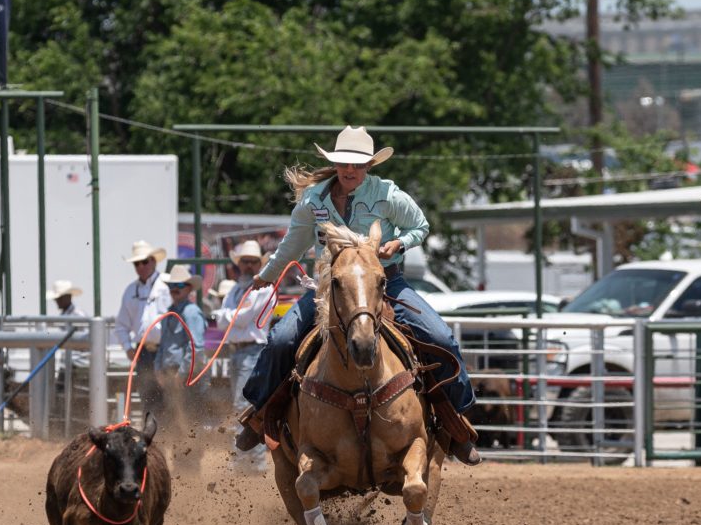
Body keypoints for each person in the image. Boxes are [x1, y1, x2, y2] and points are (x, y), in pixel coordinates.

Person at [236, 126, 480, 465]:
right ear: (335, 164)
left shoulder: (388, 194)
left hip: (385, 282)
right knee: (282, 339)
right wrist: (267, 275)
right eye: (344, 164)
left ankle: (458, 423)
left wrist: (400, 243)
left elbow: (420, 225)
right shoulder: (314, 200)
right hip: (332, 286)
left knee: (440, 337)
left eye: (358, 165)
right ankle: (260, 414)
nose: (350, 170)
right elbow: (294, 242)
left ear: (369, 166)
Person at [212, 241, 275, 472]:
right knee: (242, 406)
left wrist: (227, 315)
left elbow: (239, 317)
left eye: (253, 262)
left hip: (252, 351)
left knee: (246, 407)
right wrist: (230, 316)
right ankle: (245, 462)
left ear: (260, 264)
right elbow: (231, 318)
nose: (248, 266)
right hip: (239, 352)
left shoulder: (264, 288)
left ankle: (250, 463)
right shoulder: (237, 289)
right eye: (245, 261)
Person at [154, 266, 209, 462]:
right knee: (175, 420)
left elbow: (197, 347)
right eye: (171, 286)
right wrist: (158, 369)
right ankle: (181, 462)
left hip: (184, 376)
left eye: (178, 286)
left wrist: (183, 373)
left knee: (189, 420)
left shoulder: (191, 312)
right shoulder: (172, 312)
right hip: (172, 375)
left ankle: (190, 464)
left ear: (188, 289)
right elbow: (164, 344)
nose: (174, 289)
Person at [113, 240, 171, 413]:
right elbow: (121, 325)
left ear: (153, 261)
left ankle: (172, 436)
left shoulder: (168, 285)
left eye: (144, 261)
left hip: (166, 350)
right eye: (137, 263)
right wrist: (127, 347)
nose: (141, 266)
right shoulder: (131, 291)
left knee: (170, 397)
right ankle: (153, 437)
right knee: (148, 396)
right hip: (143, 352)